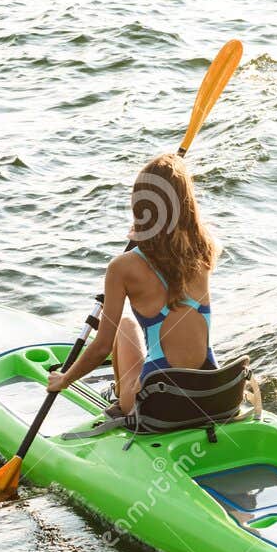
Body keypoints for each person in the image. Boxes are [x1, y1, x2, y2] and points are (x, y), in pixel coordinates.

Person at [44, 153, 220, 415]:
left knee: (123, 325)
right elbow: (172, 250)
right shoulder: (206, 249)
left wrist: (64, 380)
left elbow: (102, 347)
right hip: (208, 395)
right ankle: (122, 396)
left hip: (158, 405)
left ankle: (120, 400)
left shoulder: (121, 268)